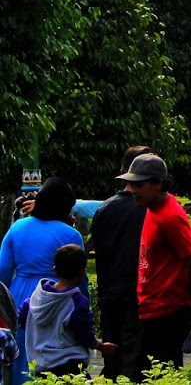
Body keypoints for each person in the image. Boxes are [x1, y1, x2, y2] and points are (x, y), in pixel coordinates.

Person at [119, 153, 191, 378]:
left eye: (139, 184)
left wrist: (190, 299)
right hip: (152, 309)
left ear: (158, 184)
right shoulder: (152, 207)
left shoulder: (169, 216)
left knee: (157, 375)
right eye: (130, 183)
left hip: (166, 312)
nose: (132, 190)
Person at [0, 179, 86, 384]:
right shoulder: (71, 234)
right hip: (59, 299)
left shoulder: (18, 227)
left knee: (20, 356)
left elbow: (3, 271)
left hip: (19, 297)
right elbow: (78, 277)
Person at [91, 145, 151, 381]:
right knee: (137, 365)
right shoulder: (148, 210)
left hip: (109, 297)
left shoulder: (105, 208)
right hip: (138, 298)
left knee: (112, 363)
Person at [18, 243, 114, 377]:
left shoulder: (35, 299)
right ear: (82, 272)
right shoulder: (76, 301)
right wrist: (100, 346)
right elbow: (84, 333)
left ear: (55, 270)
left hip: (40, 367)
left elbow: (22, 318)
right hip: (70, 366)